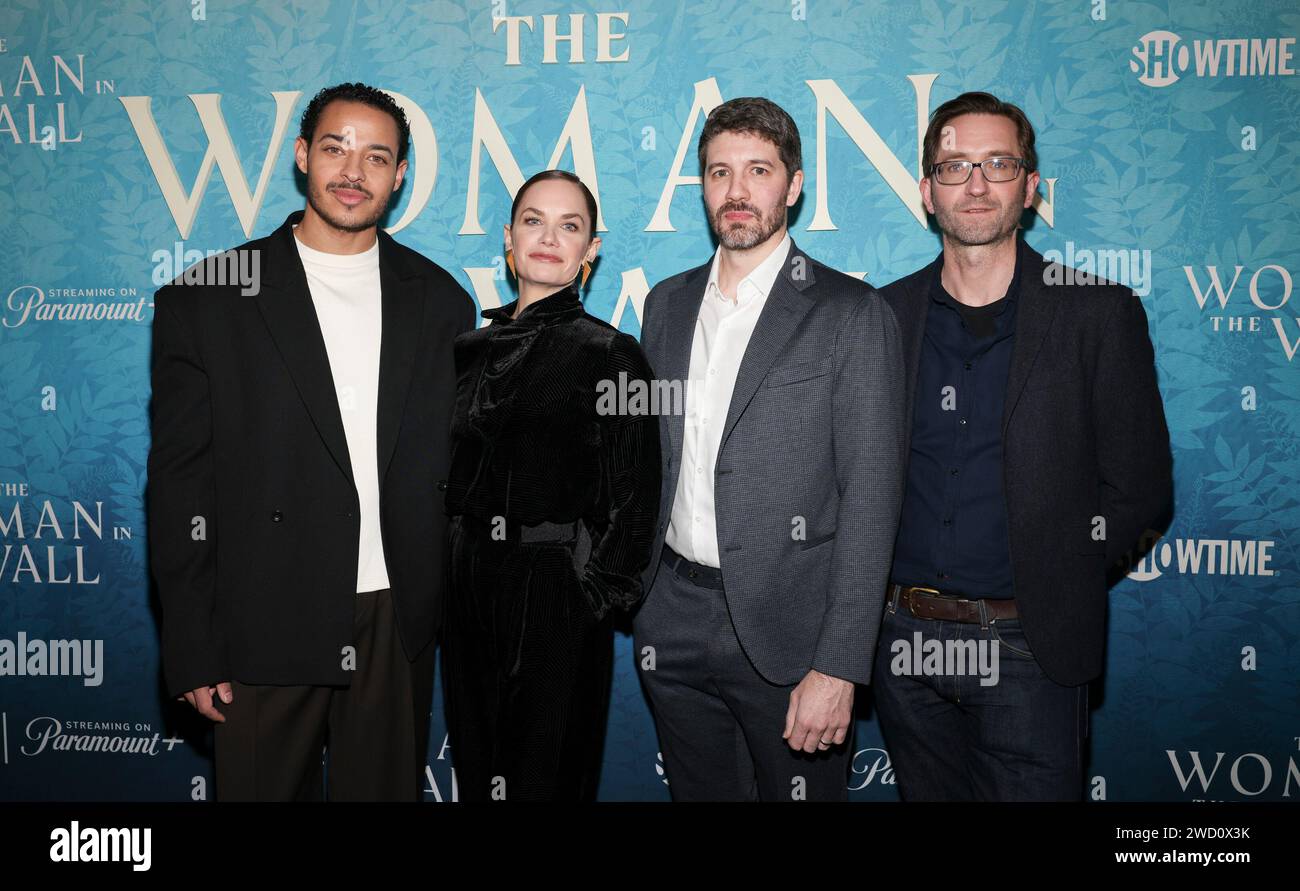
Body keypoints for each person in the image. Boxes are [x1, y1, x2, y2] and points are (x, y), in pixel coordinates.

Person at [148, 82, 475, 800]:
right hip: (264, 614)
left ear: (399, 175)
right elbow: (179, 487)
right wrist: (193, 644)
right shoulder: (208, 298)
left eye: (376, 156)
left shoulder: (442, 301)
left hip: (394, 616)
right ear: (302, 156)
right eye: (335, 148)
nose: (353, 171)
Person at [874, 91, 1173, 800]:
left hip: (1030, 649)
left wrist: (1054, 581)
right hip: (902, 646)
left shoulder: (1098, 312)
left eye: (999, 164)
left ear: (1031, 186)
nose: (976, 184)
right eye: (954, 167)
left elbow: (1140, 490)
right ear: (927, 191)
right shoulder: (883, 315)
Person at [633, 97, 906, 801]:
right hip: (671, 617)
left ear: (794, 185)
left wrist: (839, 664)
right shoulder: (666, 304)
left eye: (758, 170)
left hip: (792, 633)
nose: (736, 189)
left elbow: (873, 499)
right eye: (719, 171)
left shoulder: (850, 312)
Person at [441, 169, 661, 801]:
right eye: (533, 221)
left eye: (570, 226)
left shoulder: (612, 354)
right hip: (466, 589)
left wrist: (586, 601)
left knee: (546, 783)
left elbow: (637, 500)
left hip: (552, 592)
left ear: (591, 248)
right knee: (478, 776)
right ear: (508, 236)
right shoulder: (468, 350)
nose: (548, 238)